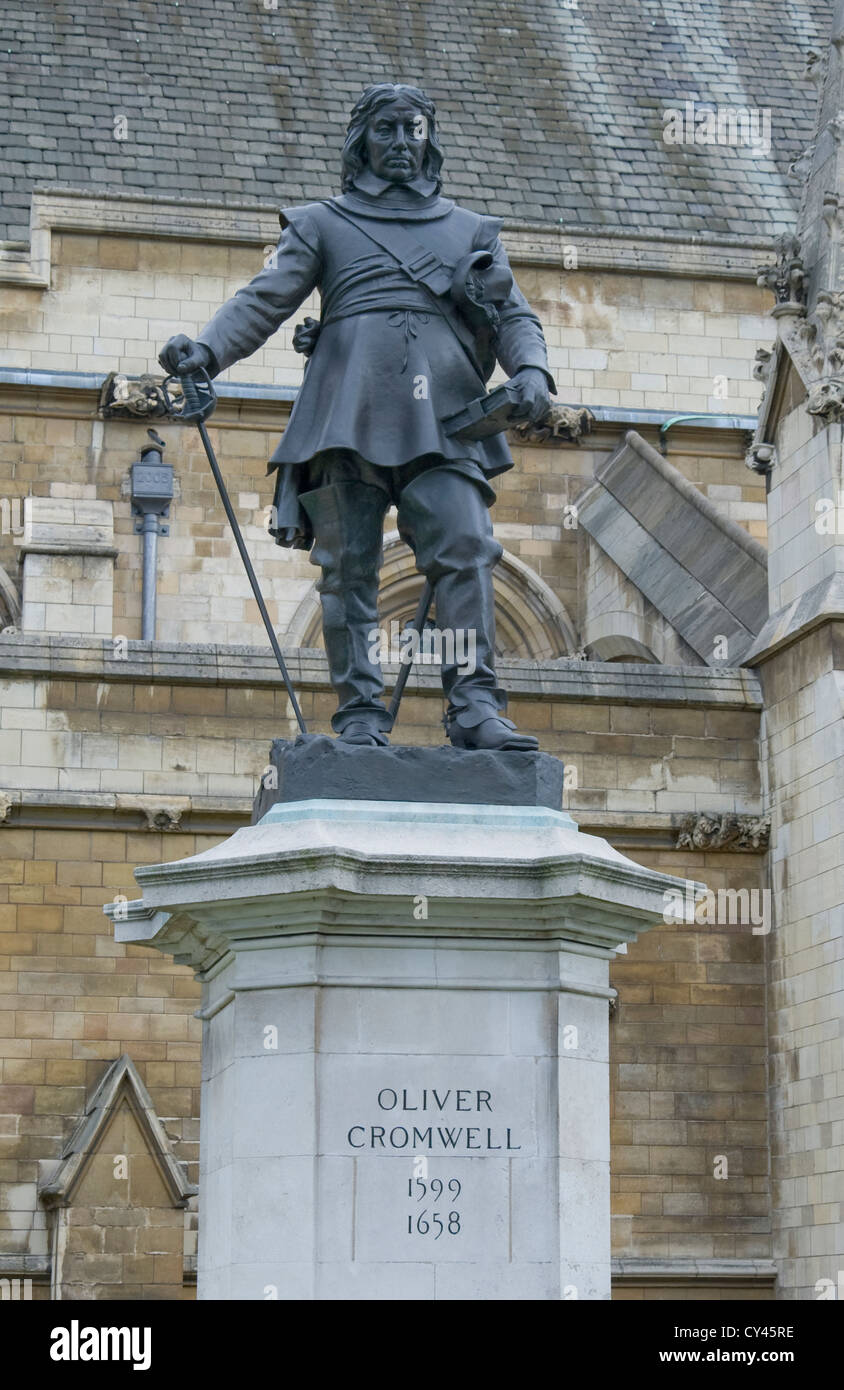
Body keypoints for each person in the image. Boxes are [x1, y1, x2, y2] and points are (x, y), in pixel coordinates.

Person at [159, 83, 555, 750]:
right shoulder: (322, 223)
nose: (401, 143)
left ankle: (475, 705)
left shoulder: (471, 231)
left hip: (447, 417)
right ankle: (361, 712)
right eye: (387, 130)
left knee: (465, 548)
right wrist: (205, 351)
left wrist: (535, 372)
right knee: (348, 568)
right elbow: (264, 300)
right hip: (347, 411)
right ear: (362, 141)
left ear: (430, 140)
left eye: (414, 129)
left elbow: (514, 315)